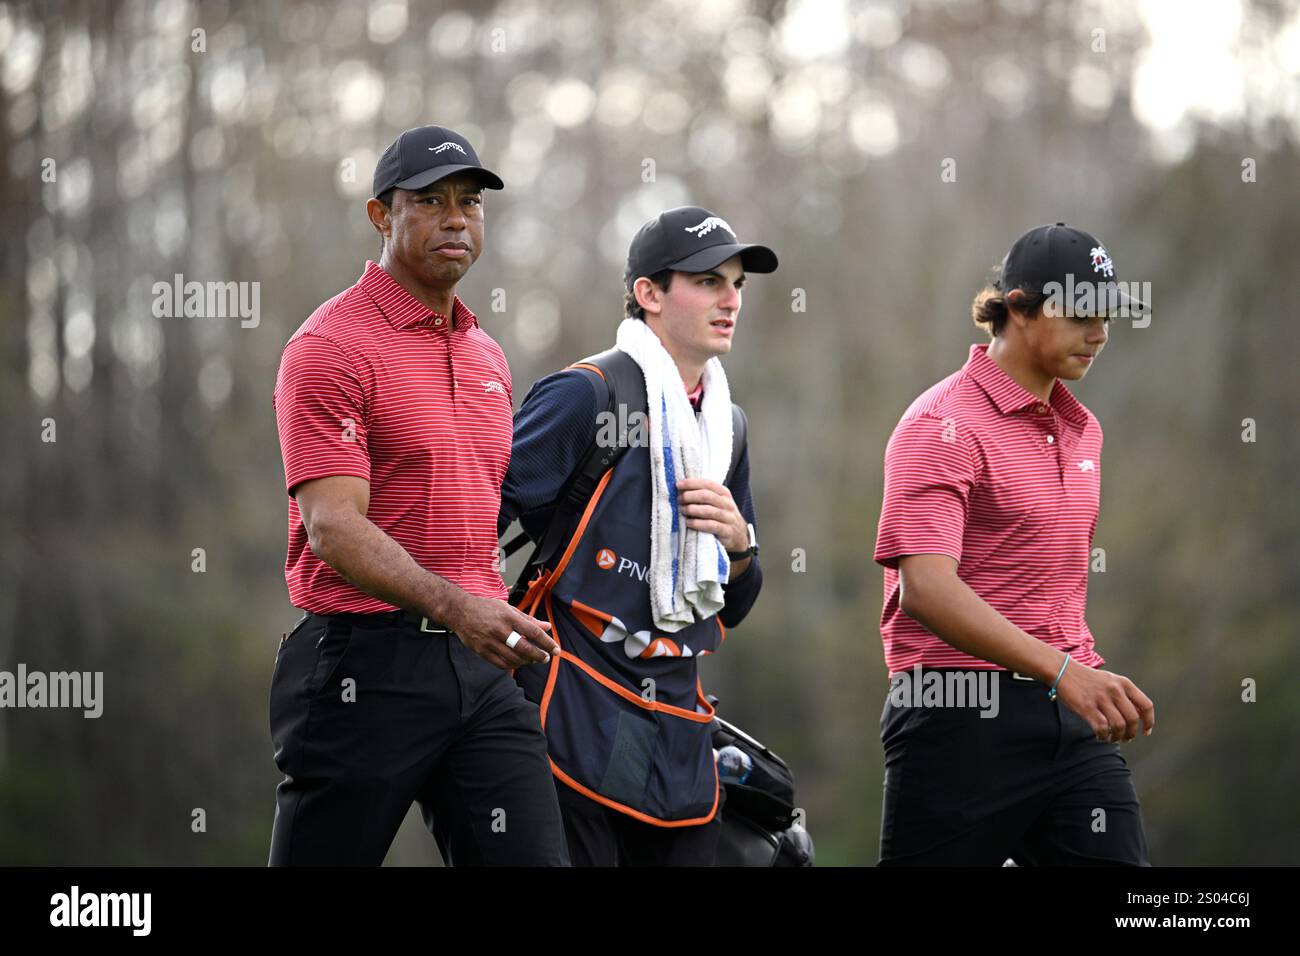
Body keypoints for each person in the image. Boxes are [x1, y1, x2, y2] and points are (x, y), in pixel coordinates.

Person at [268, 124, 568, 866]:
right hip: (363, 670)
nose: (457, 219)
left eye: (470, 202)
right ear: (381, 216)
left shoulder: (487, 353)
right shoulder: (330, 346)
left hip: (482, 669)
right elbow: (333, 529)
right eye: (430, 201)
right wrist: (457, 608)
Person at [498, 206, 776, 866]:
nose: (730, 299)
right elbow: (473, 522)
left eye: (738, 284)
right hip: (572, 711)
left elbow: (735, 603)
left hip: (679, 731)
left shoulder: (726, 426)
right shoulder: (586, 393)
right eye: (708, 281)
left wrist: (740, 547)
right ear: (649, 294)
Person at [873, 222, 1155, 866]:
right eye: (1082, 313)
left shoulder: (1084, 430)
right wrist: (1063, 672)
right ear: (1020, 308)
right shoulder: (941, 424)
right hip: (957, 714)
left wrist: (1070, 674)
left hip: (1070, 717)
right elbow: (926, 590)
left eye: (1108, 315)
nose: (1100, 333)